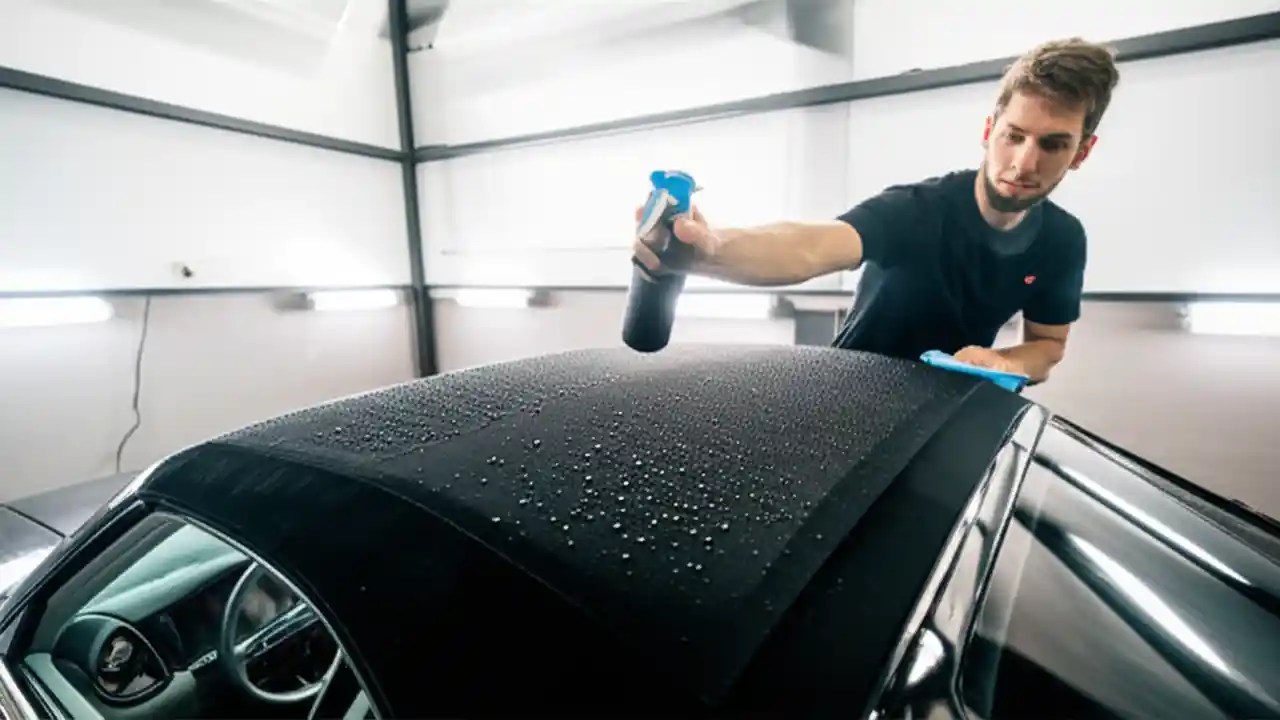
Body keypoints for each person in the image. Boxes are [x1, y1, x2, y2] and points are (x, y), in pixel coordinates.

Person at [632, 38, 1121, 385]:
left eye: (1053, 145)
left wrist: (1004, 362)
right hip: (847, 393)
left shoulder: (1063, 241)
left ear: (1082, 151)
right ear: (989, 130)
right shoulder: (917, 210)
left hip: (945, 409)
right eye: (1014, 136)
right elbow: (811, 246)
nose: (1024, 162)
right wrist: (712, 250)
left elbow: (1048, 346)